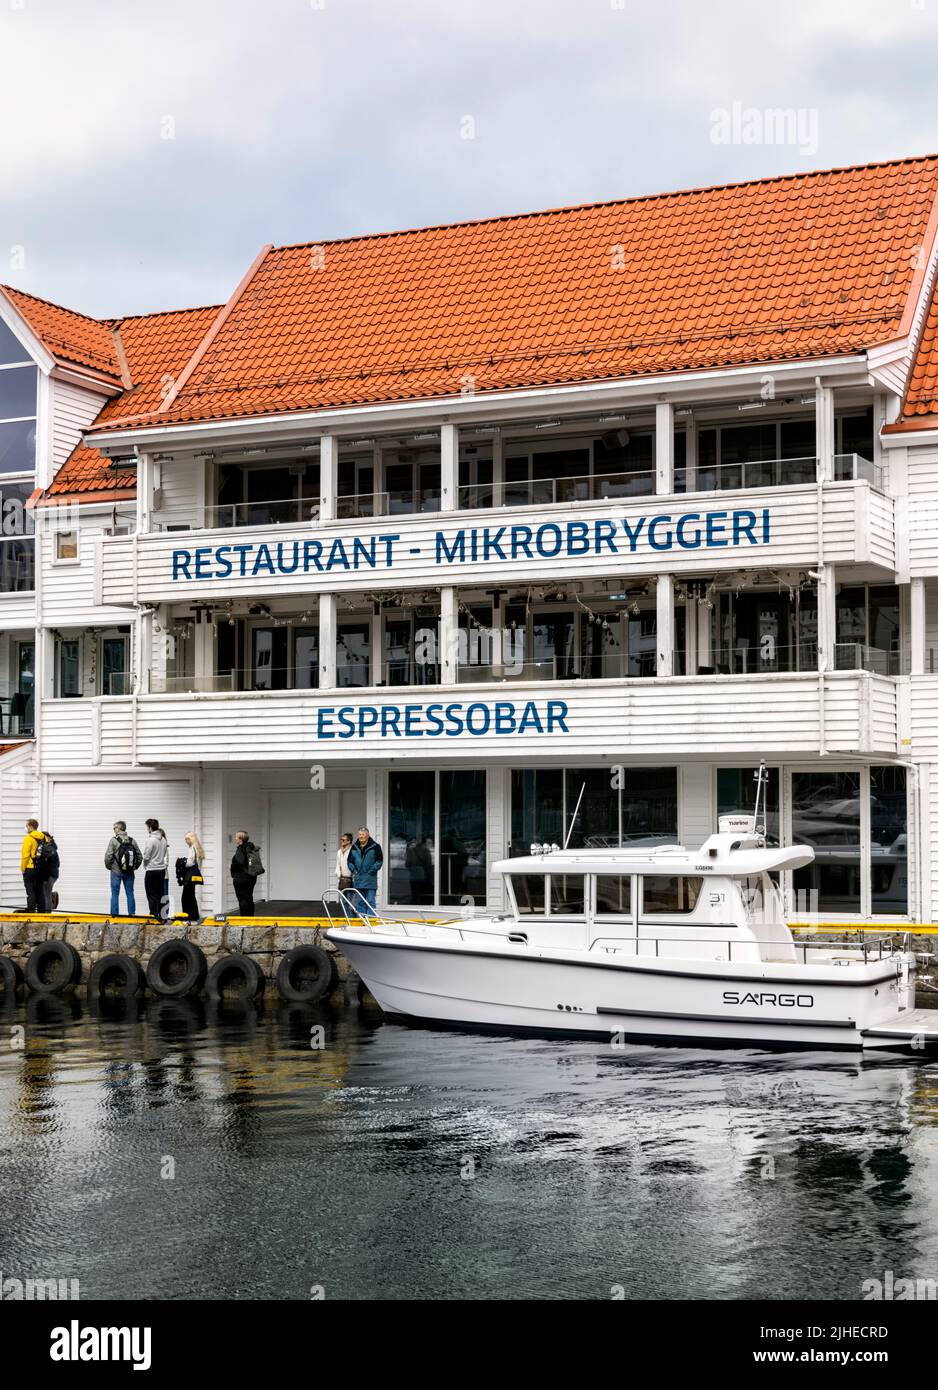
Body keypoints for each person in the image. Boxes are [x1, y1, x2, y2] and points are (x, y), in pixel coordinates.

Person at [105, 821, 142, 916]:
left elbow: (108, 856)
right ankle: (132, 914)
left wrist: (110, 867)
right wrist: (134, 867)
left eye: (114, 828)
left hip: (116, 871)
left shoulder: (113, 840)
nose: (114, 830)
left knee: (114, 894)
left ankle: (114, 916)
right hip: (129, 872)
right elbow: (139, 856)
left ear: (119, 828)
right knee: (130, 893)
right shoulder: (132, 840)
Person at [21, 818, 55, 913]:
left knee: (31, 891)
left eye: (27, 826)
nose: (26, 827)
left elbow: (25, 856)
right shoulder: (44, 837)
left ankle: (31, 911)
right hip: (41, 869)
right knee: (40, 891)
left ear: (31, 827)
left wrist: (23, 868)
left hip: (30, 868)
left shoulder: (28, 838)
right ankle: (41, 913)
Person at [348, 825, 383, 915]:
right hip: (359, 880)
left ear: (367, 835)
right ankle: (361, 922)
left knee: (371, 902)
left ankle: (371, 922)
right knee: (360, 902)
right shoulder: (354, 847)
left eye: (362, 834)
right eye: (359, 834)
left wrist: (371, 871)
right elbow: (349, 862)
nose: (360, 836)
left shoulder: (376, 846)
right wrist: (354, 871)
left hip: (370, 880)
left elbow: (379, 861)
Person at [142, 818, 169, 921]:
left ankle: (153, 915)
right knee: (160, 893)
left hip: (152, 870)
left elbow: (146, 856)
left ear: (150, 827)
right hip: (161, 870)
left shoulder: (150, 840)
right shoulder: (163, 839)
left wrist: (145, 865)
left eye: (147, 827)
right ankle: (162, 916)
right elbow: (164, 853)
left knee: (151, 894)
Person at [177, 831, 205, 923]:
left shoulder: (192, 848)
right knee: (191, 896)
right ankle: (194, 915)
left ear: (191, 839)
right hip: (194, 876)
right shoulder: (198, 848)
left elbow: (190, 862)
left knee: (185, 897)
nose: (186, 841)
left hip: (189, 876)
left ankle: (187, 916)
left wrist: (182, 862)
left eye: (187, 839)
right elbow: (198, 864)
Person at [230, 830, 257, 917]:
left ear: (240, 839)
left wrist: (233, 868)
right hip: (251, 877)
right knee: (249, 898)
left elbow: (240, 862)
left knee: (242, 899)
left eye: (236, 837)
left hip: (241, 877)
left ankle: (244, 920)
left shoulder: (240, 849)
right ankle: (250, 919)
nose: (235, 839)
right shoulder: (251, 848)